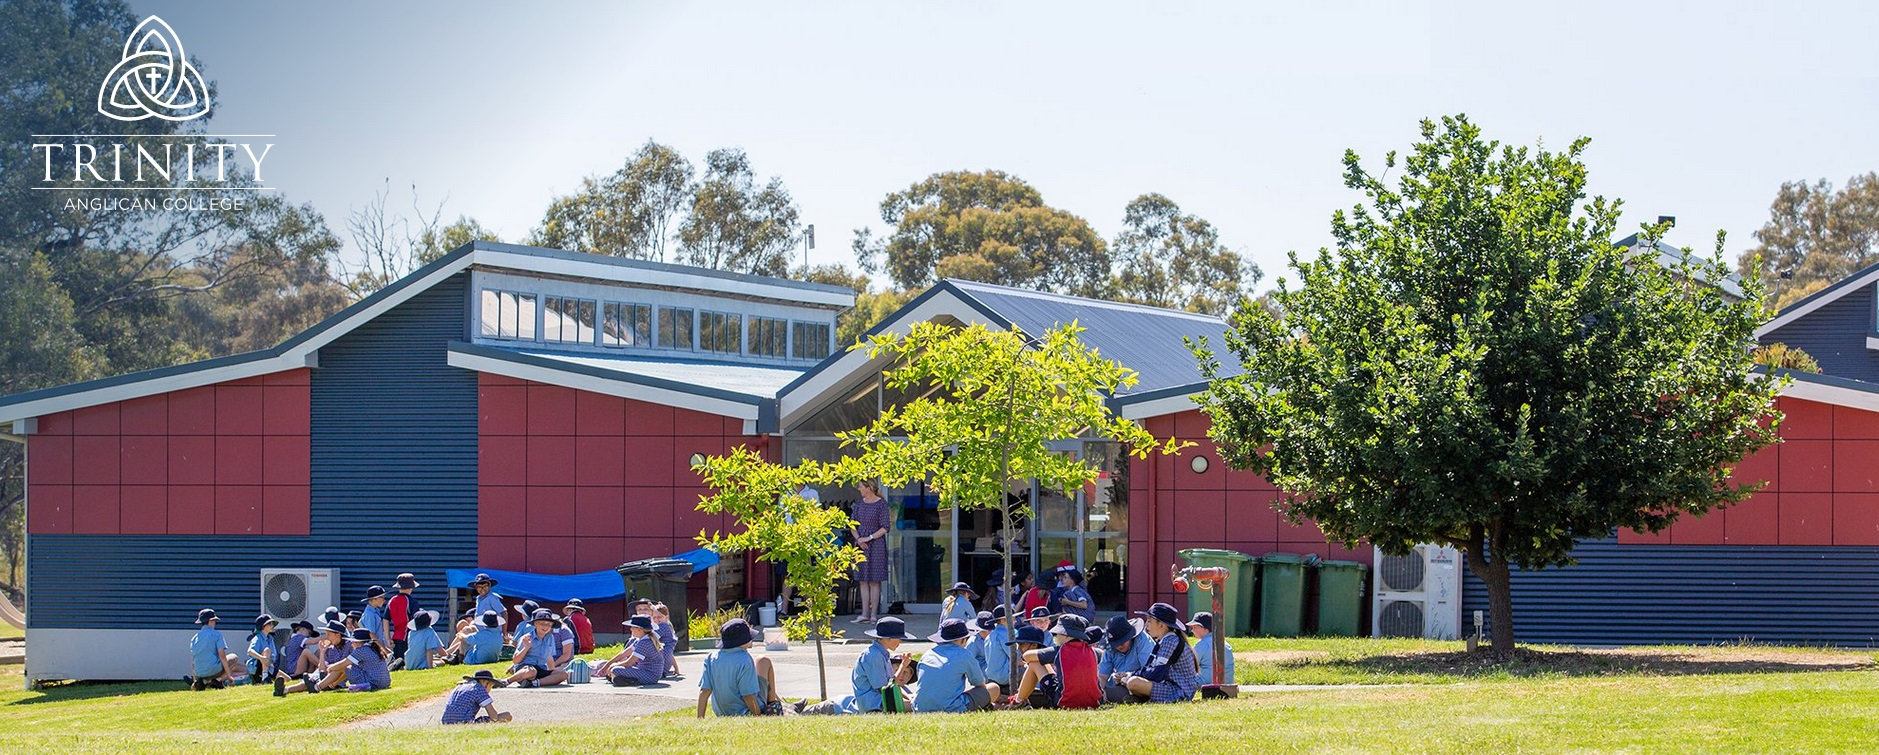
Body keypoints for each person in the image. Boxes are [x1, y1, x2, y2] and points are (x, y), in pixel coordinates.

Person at [800, 616, 909, 714]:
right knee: (913, 707)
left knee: (913, 704)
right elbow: (886, 689)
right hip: (873, 705)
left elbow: (890, 685)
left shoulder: (881, 654)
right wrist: (909, 700)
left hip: (878, 702)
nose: (901, 641)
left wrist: (908, 696)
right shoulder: (874, 656)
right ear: (888, 638)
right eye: (899, 638)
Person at [695, 618, 787, 718]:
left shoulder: (710, 659)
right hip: (746, 711)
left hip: (721, 713)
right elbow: (748, 695)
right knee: (764, 661)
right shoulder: (744, 660)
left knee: (760, 662)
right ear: (742, 640)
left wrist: (700, 718)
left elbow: (704, 691)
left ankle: (782, 703)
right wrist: (757, 716)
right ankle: (774, 706)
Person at [1006, 615, 1102, 710]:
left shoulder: (1059, 650)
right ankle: (1020, 699)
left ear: (1065, 635)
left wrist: (1044, 658)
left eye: (1058, 634)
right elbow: (1102, 654)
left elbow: (1027, 655)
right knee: (1043, 662)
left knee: (1035, 663)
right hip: (1093, 702)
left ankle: (1019, 701)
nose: (1056, 637)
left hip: (1064, 701)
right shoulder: (1093, 651)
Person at [912, 618, 999, 713]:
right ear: (963, 640)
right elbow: (980, 684)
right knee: (994, 688)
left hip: (920, 708)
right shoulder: (964, 654)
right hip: (950, 708)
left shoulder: (927, 654)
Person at [1120, 602, 1200, 703]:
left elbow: (1157, 673)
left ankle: (1141, 698)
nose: (1146, 625)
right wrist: (1129, 674)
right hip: (1171, 686)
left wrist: (1130, 677)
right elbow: (1150, 668)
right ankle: (1140, 698)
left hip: (1180, 691)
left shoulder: (1170, 641)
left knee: (1133, 682)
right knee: (1133, 681)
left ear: (1162, 625)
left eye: (1149, 621)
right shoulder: (1164, 640)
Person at [278, 628, 391, 695]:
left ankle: (317, 687)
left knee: (343, 667)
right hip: (381, 682)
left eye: (328, 634)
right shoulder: (371, 648)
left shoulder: (361, 650)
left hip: (372, 683)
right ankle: (286, 690)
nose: (352, 643)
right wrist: (322, 653)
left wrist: (330, 669)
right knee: (342, 668)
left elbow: (344, 664)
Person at [774, 483, 820, 617]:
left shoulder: (812, 493)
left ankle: (811, 611)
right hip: (789, 541)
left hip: (807, 541)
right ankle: (784, 610)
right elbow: (780, 516)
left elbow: (817, 515)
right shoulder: (785, 493)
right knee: (788, 576)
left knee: (807, 576)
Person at [849, 480, 892, 624]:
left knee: (874, 581)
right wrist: (860, 539)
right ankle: (864, 613)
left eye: (861, 486)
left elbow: (885, 526)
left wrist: (869, 538)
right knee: (862, 580)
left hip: (876, 545)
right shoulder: (858, 504)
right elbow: (852, 524)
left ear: (869, 488)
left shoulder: (881, 504)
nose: (859, 489)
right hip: (861, 545)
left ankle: (873, 614)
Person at [500, 609, 571, 688]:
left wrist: (552, 672)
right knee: (531, 672)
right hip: (525, 667)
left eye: (548, 624)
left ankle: (534, 683)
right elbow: (516, 660)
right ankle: (507, 681)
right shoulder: (527, 638)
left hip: (541, 669)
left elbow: (549, 657)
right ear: (535, 624)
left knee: (563, 674)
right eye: (542, 624)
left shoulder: (550, 637)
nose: (545, 627)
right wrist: (526, 647)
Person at [1098, 614, 1154, 702]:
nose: (1119, 646)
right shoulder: (1109, 649)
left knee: (1132, 684)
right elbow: (1102, 677)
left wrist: (1127, 676)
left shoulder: (1142, 640)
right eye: (1115, 644)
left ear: (1131, 636)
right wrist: (1101, 691)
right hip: (1119, 685)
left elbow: (1150, 671)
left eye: (1122, 642)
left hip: (1141, 682)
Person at [596, 615, 664, 686]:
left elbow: (629, 663)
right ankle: (622, 679)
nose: (631, 629)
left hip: (650, 676)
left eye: (632, 627)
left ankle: (627, 680)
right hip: (646, 672)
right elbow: (623, 654)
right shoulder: (640, 640)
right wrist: (607, 665)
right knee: (614, 668)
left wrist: (612, 667)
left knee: (615, 670)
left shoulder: (645, 642)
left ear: (639, 629)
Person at [187, 608, 243, 690]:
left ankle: (202, 682)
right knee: (234, 657)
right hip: (214, 671)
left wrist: (195, 679)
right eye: (214, 621)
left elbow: (194, 660)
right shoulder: (217, 634)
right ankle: (218, 680)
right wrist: (229, 676)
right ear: (210, 621)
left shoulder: (194, 638)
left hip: (199, 672)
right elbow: (222, 656)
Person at [998, 625, 1051, 707]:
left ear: (1034, 645)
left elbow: (1040, 692)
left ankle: (1017, 703)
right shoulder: (1037, 662)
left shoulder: (1037, 663)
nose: (1019, 648)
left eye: (1022, 644)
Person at [442, 670, 513, 724]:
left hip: (445, 722)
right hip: (464, 722)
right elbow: (494, 717)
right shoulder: (479, 689)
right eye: (491, 686)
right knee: (507, 715)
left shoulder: (460, 686)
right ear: (486, 683)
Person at [1187, 612, 1235, 687]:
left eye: (1195, 627)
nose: (1192, 631)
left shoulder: (1202, 645)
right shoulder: (1225, 644)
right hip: (1228, 683)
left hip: (1206, 684)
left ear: (1205, 628)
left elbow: (1188, 665)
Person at [386, 573, 418, 668]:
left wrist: (388, 637)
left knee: (397, 662)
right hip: (409, 636)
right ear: (410, 588)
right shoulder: (412, 602)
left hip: (396, 636)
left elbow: (385, 619)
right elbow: (415, 620)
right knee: (407, 662)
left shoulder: (392, 600)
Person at [984, 606, 1014, 689]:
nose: (1015, 621)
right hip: (1004, 677)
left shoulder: (990, 635)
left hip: (991, 676)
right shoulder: (1005, 634)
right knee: (1031, 667)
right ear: (1003, 620)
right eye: (1013, 618)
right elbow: (1015, 658)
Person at [358, 585, 391, 655]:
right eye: (381, 597)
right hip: (372, 649)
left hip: (376, 647)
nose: (384, 600)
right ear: (374, 599)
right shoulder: (370, 614)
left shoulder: (376, 610)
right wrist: (384, 649)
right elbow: (372, 635)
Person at [245, 614, 278, 682]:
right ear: (263, 626)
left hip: (269, 665)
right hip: (257, 666)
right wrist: (262, 658)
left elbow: (274, 655)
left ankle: (269, 677)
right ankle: (264, 677)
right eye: (269, 623)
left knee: (287, 679)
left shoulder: (270, 638)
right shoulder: (257, 638)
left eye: (272, 624)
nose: (272, 626)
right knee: (267, 650)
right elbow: (250, 651)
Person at [652, 602, 682, 679]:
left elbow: (650, 639)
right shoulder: (667, 626)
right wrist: (676, 669)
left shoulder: (663, 626)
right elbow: (670, 653)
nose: (656, 620)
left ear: (666, 617)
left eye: (659, 617)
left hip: (659, 665)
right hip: (664, 666)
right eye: (654, 617)